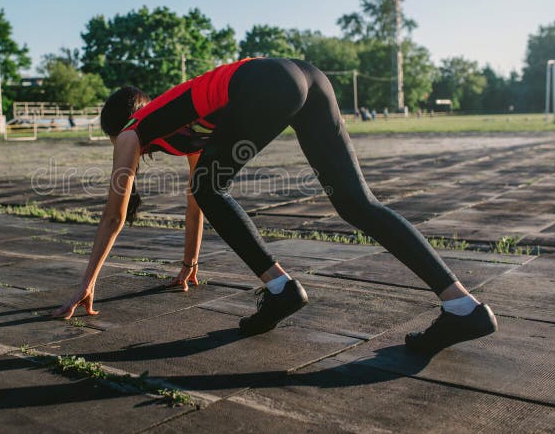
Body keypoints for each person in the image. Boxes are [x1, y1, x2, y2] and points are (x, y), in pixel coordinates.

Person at [52, 58, 497, 352]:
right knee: (356, 203)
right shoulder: (178, 122)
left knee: (211, 186)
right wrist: (189, 264)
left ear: (116, 128)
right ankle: (463, 308)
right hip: (309, 79)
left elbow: (114, 215)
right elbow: (198, 198)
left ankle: (281, 289)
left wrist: (87, 283)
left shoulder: (134, 130)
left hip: (268, 83)